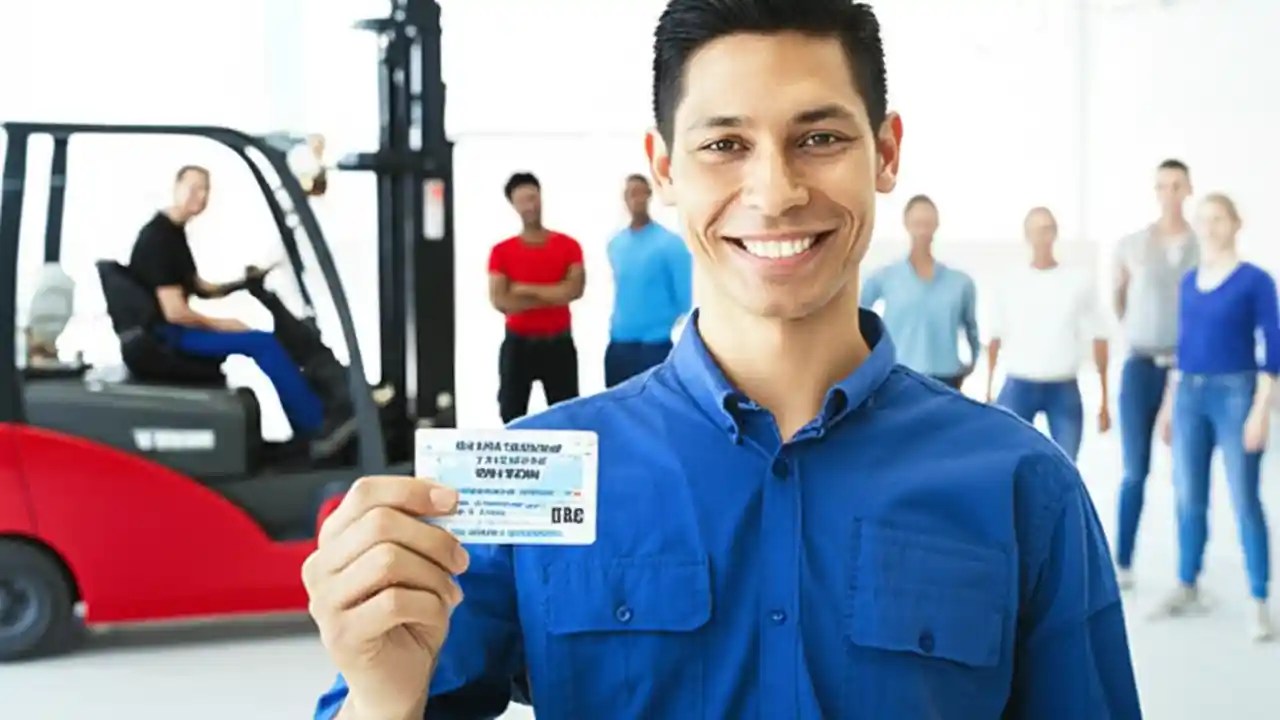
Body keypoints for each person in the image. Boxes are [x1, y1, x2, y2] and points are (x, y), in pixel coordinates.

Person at [305, 2, 1140, 719]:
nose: (774, 191)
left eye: (818, 136)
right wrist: (382, 696)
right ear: (664, 166)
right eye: (724, 145)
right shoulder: (551, 474)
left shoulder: (1022, 486)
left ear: (885, 152)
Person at [127, 165, 355, 458]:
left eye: (205, 189)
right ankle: (317, 426)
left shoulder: (174, 232)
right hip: (167, 335)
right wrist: (224, 324)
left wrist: (243, 283)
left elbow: (197, 286)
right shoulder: (157, 238)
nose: (199, 195)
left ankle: (308, 424)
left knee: (260, 338)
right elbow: (175, 312)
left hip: (170, 329)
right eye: (193, 187)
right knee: (261, 342)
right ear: (176, 187)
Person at [1151, 193, 1275, 642]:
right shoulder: (1188, 282)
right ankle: (1188, 584)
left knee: (1245, 500)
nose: (1209, 226)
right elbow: (1183, 348)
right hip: (1188, 397)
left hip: (1236, 394)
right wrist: (1168, 405)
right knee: (1188, 497)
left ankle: (1259, 599)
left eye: (1219, 218)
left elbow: (1272, 351)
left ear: (1236, 223)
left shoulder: (1256, 281)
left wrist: (1262, 410)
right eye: (1203, 219)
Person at [1111, 158, 1199, 589]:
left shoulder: (1201, 249)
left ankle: (1188, 578)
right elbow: (1119, 300)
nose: (1169, 193)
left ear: (1188, 190)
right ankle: (1122, 564)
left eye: (1176, 185)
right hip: (1139, 367)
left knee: (1186, 475)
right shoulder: (1132, 245)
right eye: (1162, 185)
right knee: (1133, 471)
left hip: (1187, 371)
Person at [985, 207, 1111, 461]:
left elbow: (1099, 336)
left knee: (1065, 467)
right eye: (1036, 230)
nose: (1042, 237)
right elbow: (994, 338)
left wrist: (1104, 399)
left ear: (1055, 234)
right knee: (1007, 463)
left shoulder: (1078, 281)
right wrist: (988, 390)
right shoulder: (1010, 281)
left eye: (1047, 229)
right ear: (1026, 235)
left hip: (1063, 386)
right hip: (1018, 385)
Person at [487, 172, 585, 422]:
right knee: (511, 415)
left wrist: (522, 289)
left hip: (559, 345)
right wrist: (552, 293)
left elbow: (573, 291)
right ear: (513, 205)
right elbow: (501, 301)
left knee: (567, 416)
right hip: (518, 345)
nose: (529, 206)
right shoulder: (502, 251)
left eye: (532, 198)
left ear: (541, 197)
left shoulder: (568, 245)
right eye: (522, 201)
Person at [860, 194, 979, 390]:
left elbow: (971, 329)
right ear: (906, 224)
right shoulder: (884, 277)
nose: (923, 230)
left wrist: (973, 362)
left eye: (927, 223)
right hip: (898, 376)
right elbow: (858, 318)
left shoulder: (960, 283)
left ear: (937, 224)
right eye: (917, 223)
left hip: (946, 379)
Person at [605, 174, 693, 386]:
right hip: (619, 345)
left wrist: (659, 325)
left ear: (649, 195)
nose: (635, 199)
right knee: (616, 413)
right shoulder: (616, 244)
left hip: (654, 347)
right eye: (630, 194)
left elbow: (684, 299)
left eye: (639, 193)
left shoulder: (670, 243)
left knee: (655, 414)